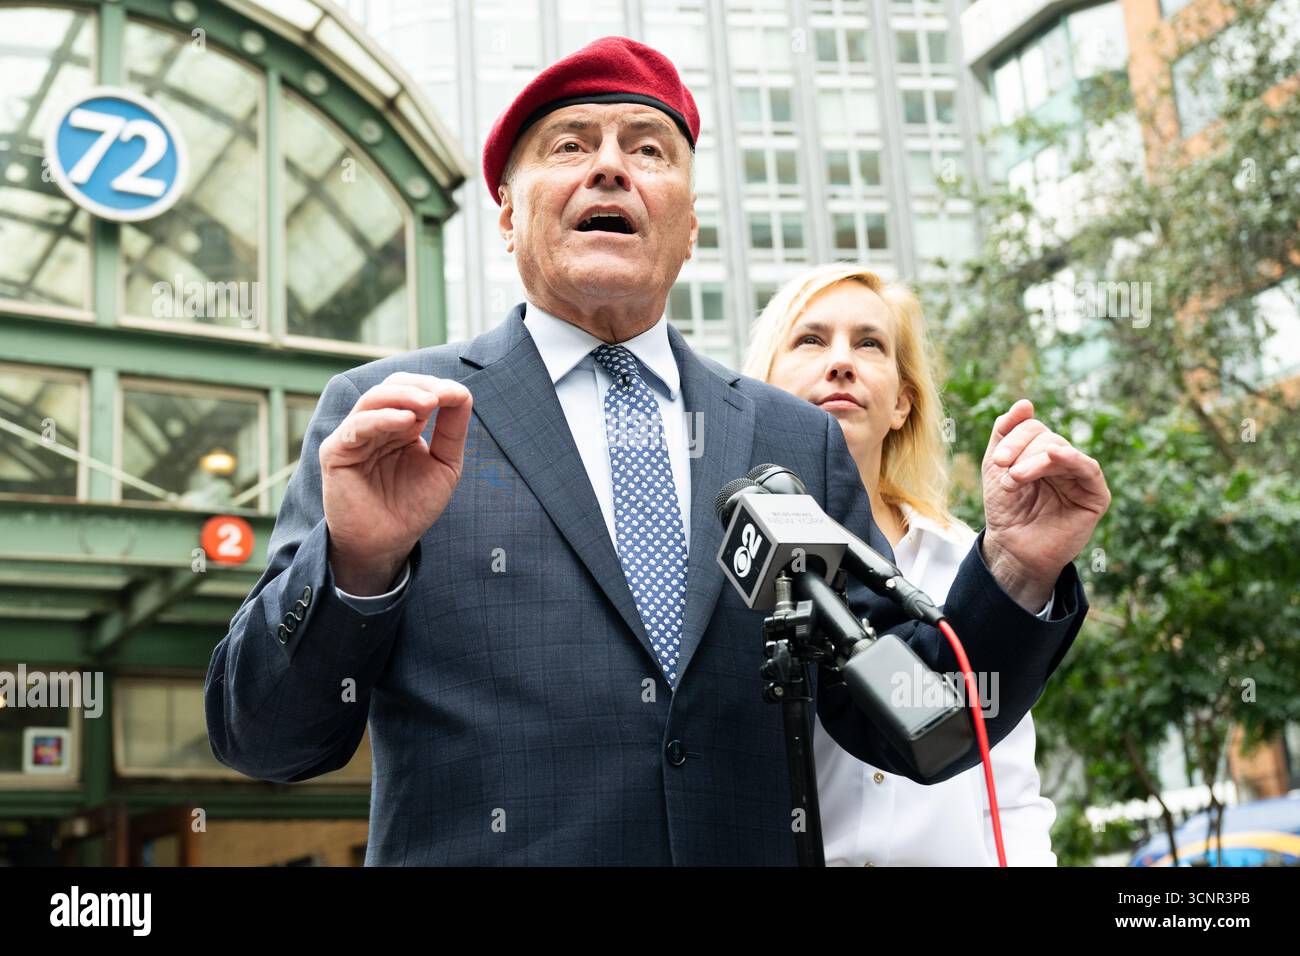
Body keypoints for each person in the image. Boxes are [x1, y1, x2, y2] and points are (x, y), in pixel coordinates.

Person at [203, 37, 1109, 865]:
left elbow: (916, 725)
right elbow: (268, 740)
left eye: (648, 149)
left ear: (688, 227)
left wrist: (1017, 571)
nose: (609, 167)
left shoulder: (792, 437)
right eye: (570, 145)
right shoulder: (395, 419)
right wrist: (357, 564)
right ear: (510, 214)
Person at [746, 263, 1058, 866]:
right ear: (761, 388)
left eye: (870, 343)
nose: (841, 362)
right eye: (810, 340)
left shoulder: (977, 559)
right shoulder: (730, 566)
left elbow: (1011, 795)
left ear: (902, 403)